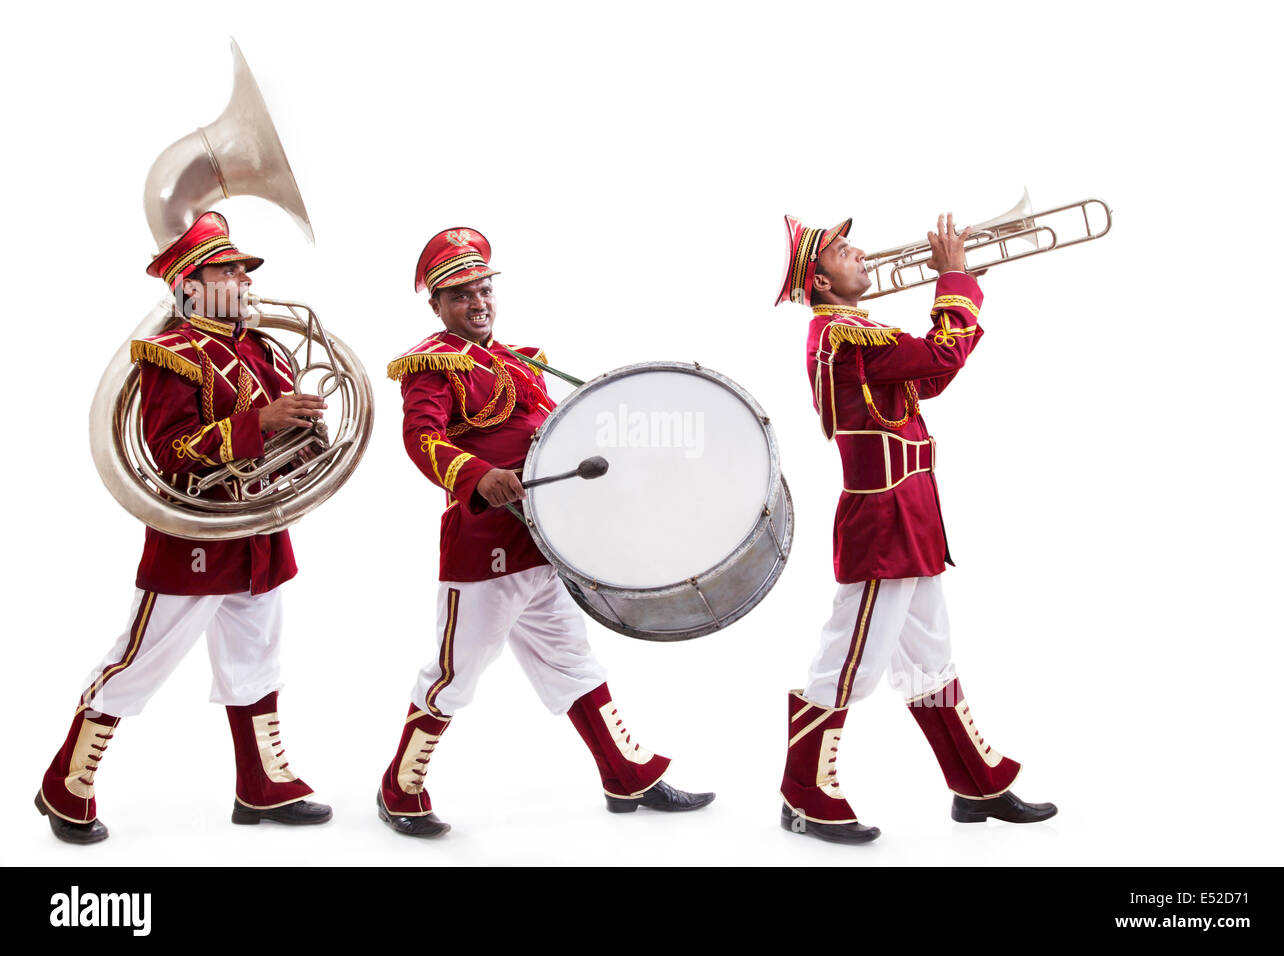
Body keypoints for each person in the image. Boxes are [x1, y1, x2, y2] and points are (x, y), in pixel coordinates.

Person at [377, 227, 713, 836]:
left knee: (573, 662)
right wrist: (478, 476)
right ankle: (400, 790)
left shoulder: (516, 360)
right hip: (483, 554)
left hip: (542, 546)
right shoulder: (432, 363)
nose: (476, 302)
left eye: (483, 289)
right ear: (436, 305)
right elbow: (421, 439)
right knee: (454, 674)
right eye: (459, 295)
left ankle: (625, 774)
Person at [36, 211, 332, 844]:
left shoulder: (260, 347)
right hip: (195, 537)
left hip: (259, 534)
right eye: (228, 269)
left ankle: (262, 785)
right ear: (191, 285)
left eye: (243, 268)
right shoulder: (170, 354)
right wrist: (263, 424)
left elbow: (291, 426)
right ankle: (67, 781)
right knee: (139, 662)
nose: (244, 279)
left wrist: (306, 436)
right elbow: (170, 452)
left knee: (257, 661)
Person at [774, 212, 1057, 844]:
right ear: (819, 281)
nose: (863, 253)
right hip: (884, 523)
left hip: (911, 515)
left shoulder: (857, 332)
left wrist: (957, 288)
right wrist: (953, 283)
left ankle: (975, 782)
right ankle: (804, 792)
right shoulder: (843, 336)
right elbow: (940, 354)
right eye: (845, 251)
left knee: (928, 661)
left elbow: (930, 375)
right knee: (848, 662)